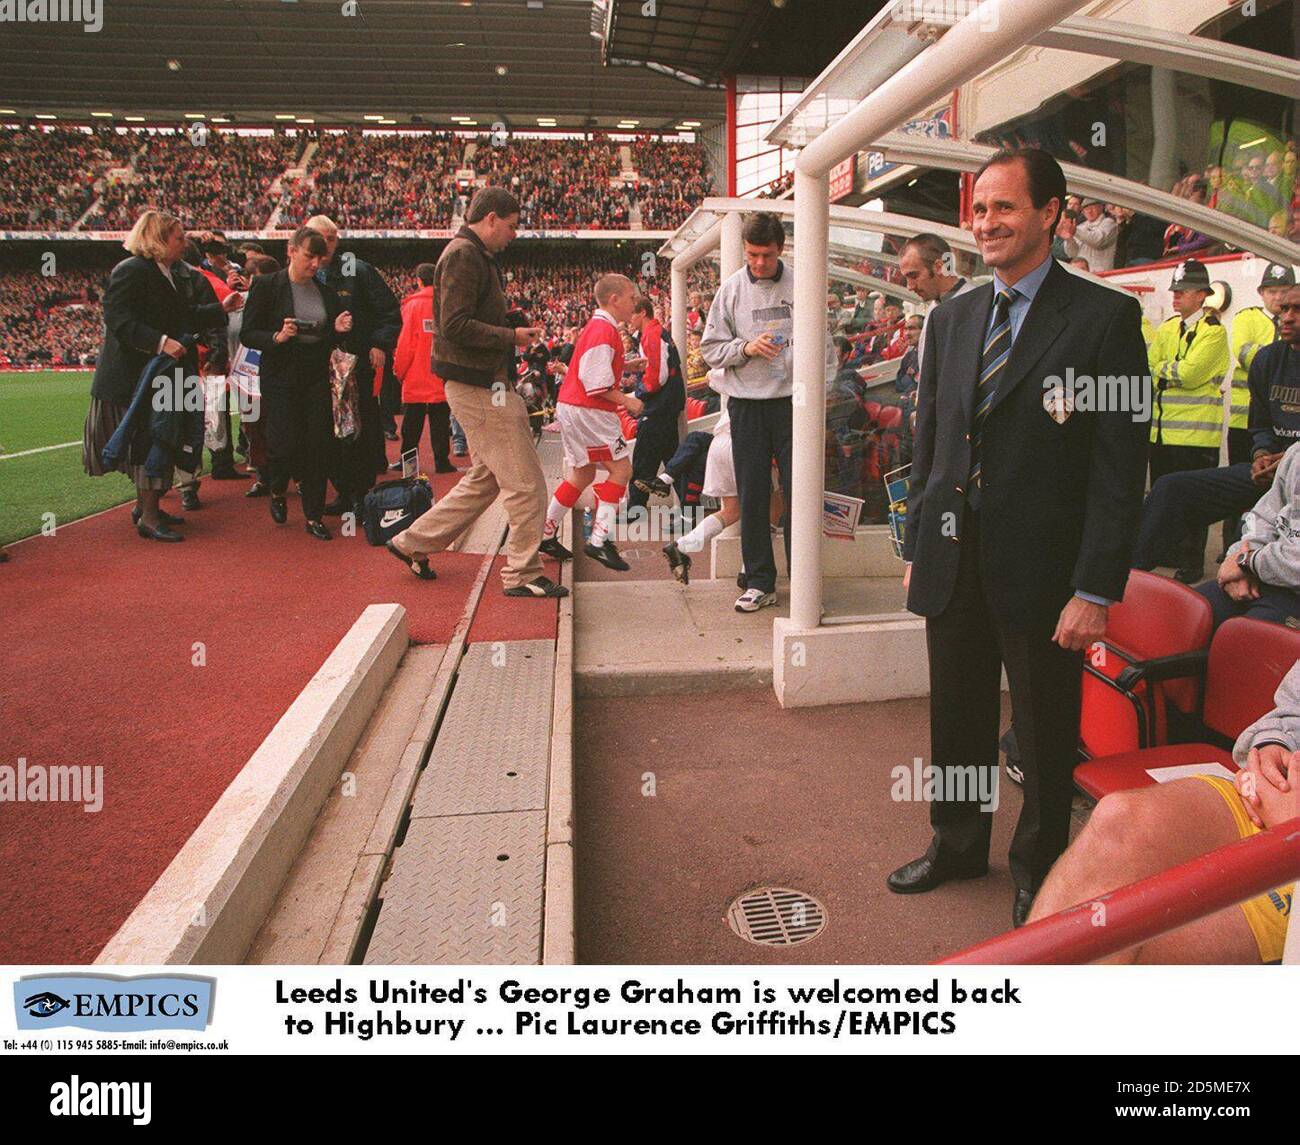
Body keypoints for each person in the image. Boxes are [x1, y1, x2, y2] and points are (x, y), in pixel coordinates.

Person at [892, 148, 1150, 929]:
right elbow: (932, 441)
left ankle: (1042, 865)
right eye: (977, 210)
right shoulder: (952, 317)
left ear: (1051, 214)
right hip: (953, 559)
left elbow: (1119, 467)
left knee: (1041, 735)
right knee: (958, 717)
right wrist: (916, 549)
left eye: (1004, 207)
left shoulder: (1106, 319)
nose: (987, 223)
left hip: (1046, 577)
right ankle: (960, 840)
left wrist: (1096, 588)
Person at [1027, 660, 1298, 963]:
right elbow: (1292, 711)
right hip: (1283, 797)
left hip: (1293, 832)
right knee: (1117, 818)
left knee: (1124, 943)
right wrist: (1273, 744)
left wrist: (1293, 825)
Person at [385, 188, 565, 598]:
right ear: (490, 218)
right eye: (512, 225)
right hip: (480, 385)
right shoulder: (465, 255)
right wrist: (510, 334)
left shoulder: (470, 254)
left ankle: (412, 541)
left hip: (478, 383)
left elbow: (461, 320)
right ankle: (522, 573)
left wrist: (507, 321)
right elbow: (455, 325)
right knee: (527, 485)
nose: (514, 235)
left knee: (485, 480)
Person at [83, 209, 239, 542]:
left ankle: (147, 509)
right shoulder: (131, 271)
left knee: (157, 438)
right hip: (133, 380)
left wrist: (219, 310)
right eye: (179, 237)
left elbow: (181, 316)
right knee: (149, 441)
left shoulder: (163, 271)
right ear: (158, 238)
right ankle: (149, 515)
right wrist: (159, 342)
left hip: (156, 377)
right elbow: (119, 320)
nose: (185, 244)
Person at [1133, 280, 1300, 578]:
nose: (1286, 317)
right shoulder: (1269, 359)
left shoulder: (1212, 331)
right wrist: (1262, 451)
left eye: (1297, 310)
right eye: (1284, 308)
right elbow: (1261, 424)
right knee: (1170, 488)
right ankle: (1123, 581)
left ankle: (1242, 572)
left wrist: (1287, 460)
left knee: (1245, 530)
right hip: (1268, 471)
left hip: (1293, 475)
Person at [700, 211, 795, 613]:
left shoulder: (800, 283)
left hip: (793, 402)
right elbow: (709, 349)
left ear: (781, 249)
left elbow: (823, 344)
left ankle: (805, 578)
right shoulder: (732, 289)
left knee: (799, 491)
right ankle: (759, 580)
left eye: (767, 256)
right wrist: (745, 349)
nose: (759, 263)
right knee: (753, 492)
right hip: (747, 406)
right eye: (752, 255)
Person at [237, 227, 353, 541]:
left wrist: (338, 329)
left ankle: (313, 515)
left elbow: (326, 338)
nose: (315, 264)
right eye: (309, 256)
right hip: (280, 374)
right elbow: (248, 333)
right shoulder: (267, 285)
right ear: (291, 250)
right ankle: (276, 487)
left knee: (318, 444)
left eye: (320, 258)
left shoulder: (325, 291)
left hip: (315, 374)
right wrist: (277, 336)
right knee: (283, 443)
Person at [542, 274, 644, 571]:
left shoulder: (597, 326)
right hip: (590, 411)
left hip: (572, 407)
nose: (634, 304)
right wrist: (628, 400)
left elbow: (588, 368)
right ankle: (599, 540)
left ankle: (545, 534)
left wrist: (624, 365)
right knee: (621, 469)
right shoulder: (605, 331)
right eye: (630, 298)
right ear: (614, 299)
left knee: (582, 473)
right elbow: (596, 386)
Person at [306, 215, 401, 519]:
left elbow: (388, 311)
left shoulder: (357, 271)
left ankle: (361, 494)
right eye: (322, 238)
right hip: (318, 366)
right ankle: (343, 491)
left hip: (355, 364)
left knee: (359, 427)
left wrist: (379, 344)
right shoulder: (302, 275)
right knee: (326, 429)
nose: (327, 245)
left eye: (332, 238)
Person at [1147, 258, 1231, 582]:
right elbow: (1151, 364)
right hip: (1164, 432)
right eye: (1175, 290)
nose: (1176, 296)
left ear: (1202, 296)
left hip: (1196, 435)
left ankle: (1192, 562)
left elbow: (1192, 374)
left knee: (1194, 503)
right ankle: (1167, 551)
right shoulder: (1168, 327)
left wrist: (1167, 371)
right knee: (1163, 498)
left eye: (1184, 290)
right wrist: (1169, 371)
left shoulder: (1213, 333)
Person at [392, 263, 455, 474]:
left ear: (419, 281)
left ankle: (409, 466)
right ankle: (442, 462)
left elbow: (406, 343)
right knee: (440, 422)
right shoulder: (446, 303)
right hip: (441, 373)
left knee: (411, 426)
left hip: (416, 375)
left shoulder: (412, 305)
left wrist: (399, 371)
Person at [627, 298, 684, 511]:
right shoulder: (653, 333)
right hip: (666, 404)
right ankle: (688, 511)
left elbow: (657, 377)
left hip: (659, 406)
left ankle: (635, 510)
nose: (628, 319)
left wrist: (639, 395)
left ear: (642, 313)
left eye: (631, 314)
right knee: (673, 462)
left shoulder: (652, 335)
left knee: (643, 460)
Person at [1063, 197, 1118, 271]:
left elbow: (1098, 240)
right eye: (1086, 209)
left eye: (1092, 208)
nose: (1089, 211)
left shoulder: (1109, 223)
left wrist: (1075, 231)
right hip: (1083, 273)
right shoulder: (1080, 227)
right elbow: (1072, 254)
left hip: (1101, 274)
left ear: (1101, 207)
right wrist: (1069, 239)